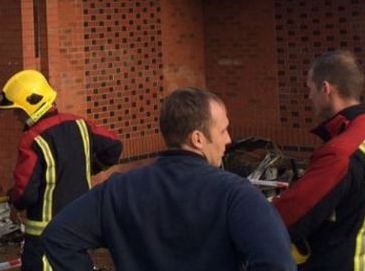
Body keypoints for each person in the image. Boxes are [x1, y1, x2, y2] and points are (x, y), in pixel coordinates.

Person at [42, 87, 294, 271]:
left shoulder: (118, 190)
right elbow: (278, 263)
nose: (228, 140)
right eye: (223, 130)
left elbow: (58, 236)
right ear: (198, 139)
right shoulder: (236, 195)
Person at [272, 50, 365, 270]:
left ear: (326, 88)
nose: (309, 97)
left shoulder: (342, 151)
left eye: (310, 88)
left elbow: (285, 218)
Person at [0, 69, 122, 271]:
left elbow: (26, 193)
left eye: (18, 111)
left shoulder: (32, 139)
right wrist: (87, 168)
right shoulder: (80, 124)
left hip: (44, 236)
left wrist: (13, 198)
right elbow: (114, 146)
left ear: (32, 104)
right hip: (79, 226)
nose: (16, 116)